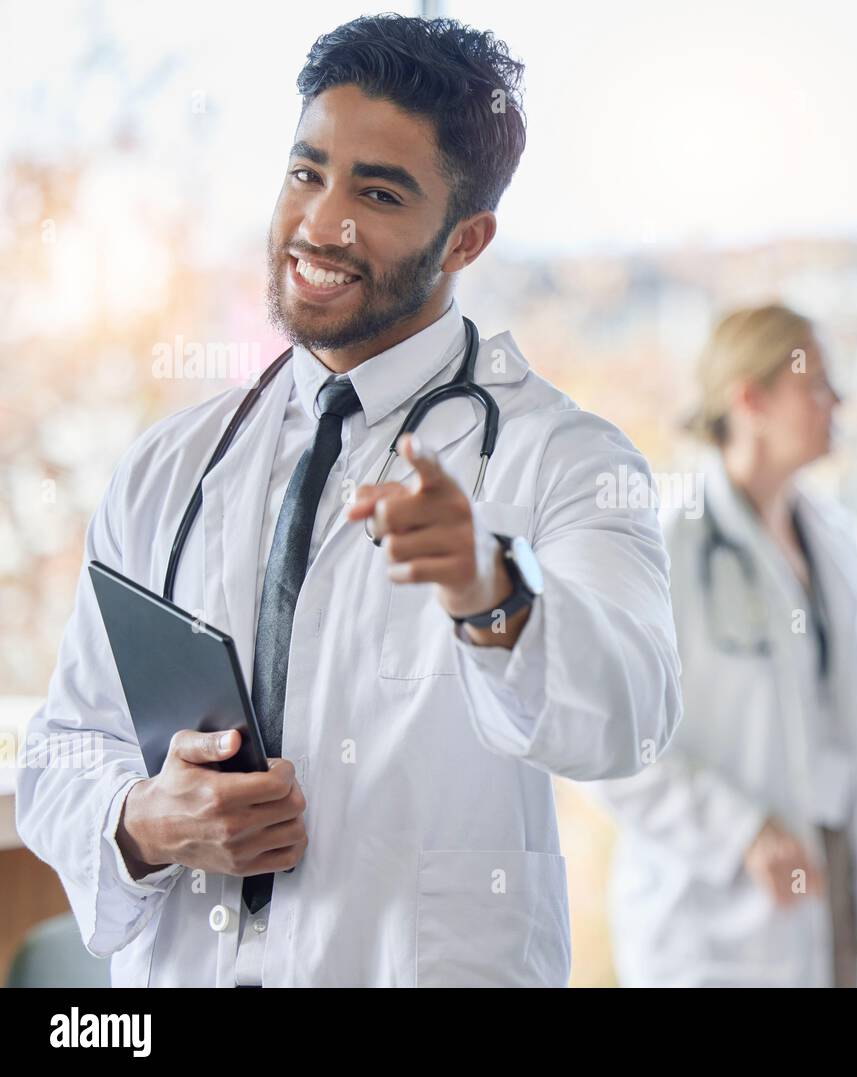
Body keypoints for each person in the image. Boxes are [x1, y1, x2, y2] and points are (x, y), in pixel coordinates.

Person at [16, 15, 681, 988]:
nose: (322, 224)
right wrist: (143, 823)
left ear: (469, 237)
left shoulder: (562, 460)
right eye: (306, 172)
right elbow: (68, 747)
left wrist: (492, 590)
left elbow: (634, 710)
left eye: (377, 191)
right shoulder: (167, 467)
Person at [595, 304, 857, 987]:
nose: (837, 401)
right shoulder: (669, 547)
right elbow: (606, 743)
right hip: (712, 918)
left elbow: (838, 718)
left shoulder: (832, 540)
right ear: (750, 398)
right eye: (815, 384)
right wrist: (740, 831)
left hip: (835, 873)